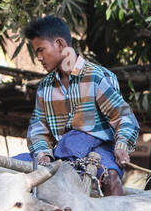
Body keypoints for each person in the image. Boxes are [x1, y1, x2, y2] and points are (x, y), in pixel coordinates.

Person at [22, 15, 138, 197]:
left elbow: (124, 118)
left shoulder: (96, 77)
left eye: (41, 50)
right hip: (60, 154)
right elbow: (38, 130)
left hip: (99, 151)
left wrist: (121, 146)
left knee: (111, 177)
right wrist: (43, 154)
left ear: (60, 44)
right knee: (9, 168)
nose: (38, 58)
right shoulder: (45, 87)